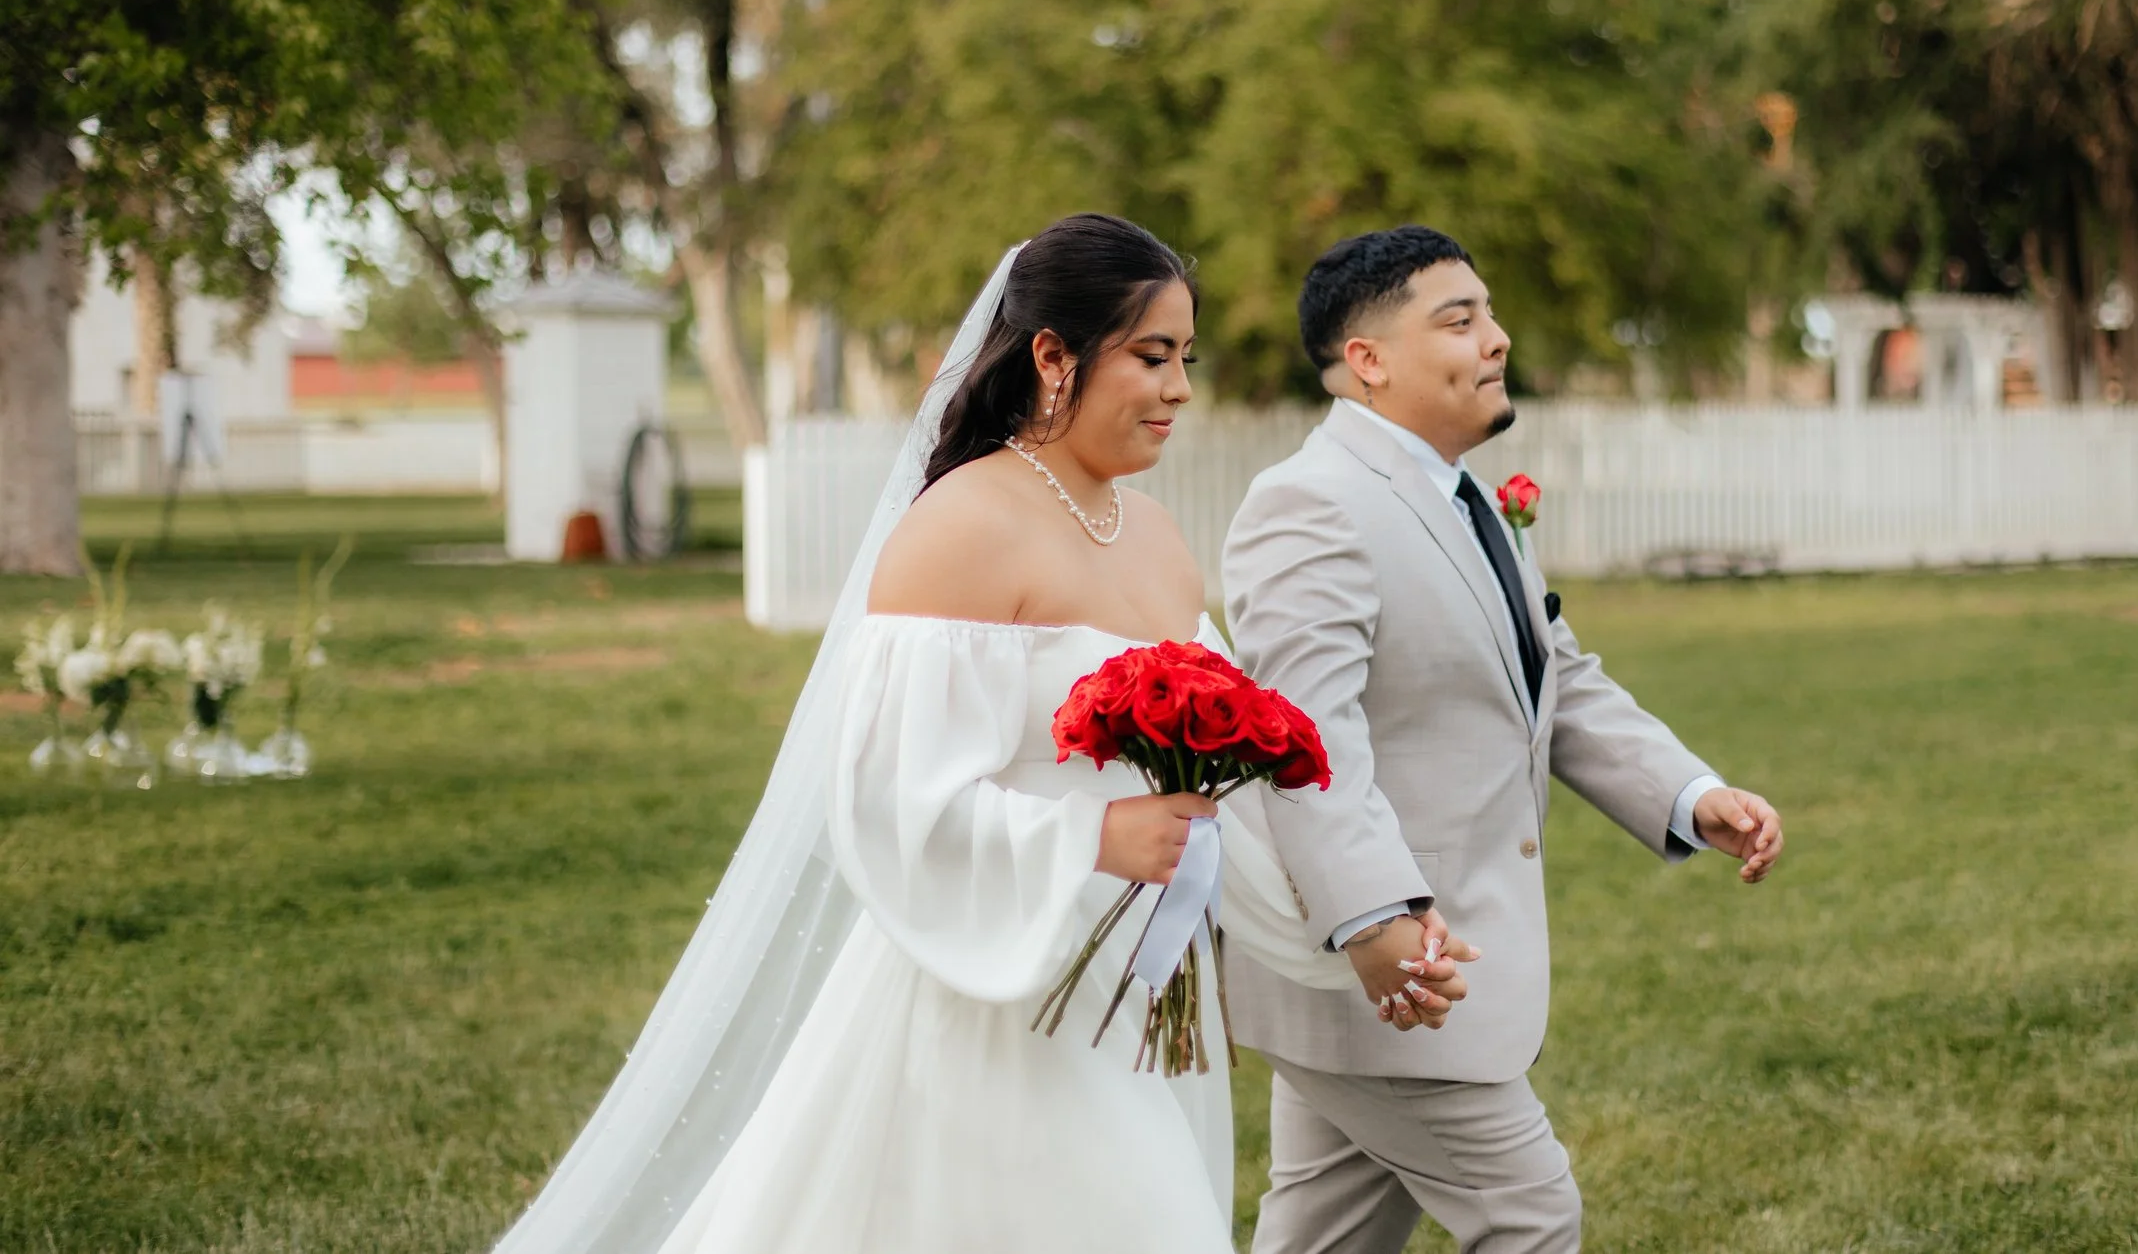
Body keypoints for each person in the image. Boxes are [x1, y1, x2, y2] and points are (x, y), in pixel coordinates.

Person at [486, 214, 1461, 1254]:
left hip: (1134, 985)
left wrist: (1362, 926)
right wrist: (1091, 839)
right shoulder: (961, 526)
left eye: (1186, 357)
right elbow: (889, 795)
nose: (1180, 387)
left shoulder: (1157, 535)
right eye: (1151, 355)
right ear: (1052, 355)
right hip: (990, 990)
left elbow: (1232, 789)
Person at [1224, 225, 1786, 1254]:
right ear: (1369, 360)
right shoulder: (1311, 503)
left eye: (1488, 312)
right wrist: (1377, 921)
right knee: (1532, 1213)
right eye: (1460, 318)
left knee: (1323, 1236)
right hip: (1400, 967)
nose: (1498, 337)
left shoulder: (1464, 492)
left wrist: (1685, 791)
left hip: (1397, 989)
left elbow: (1554, 675)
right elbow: (1304, 742)